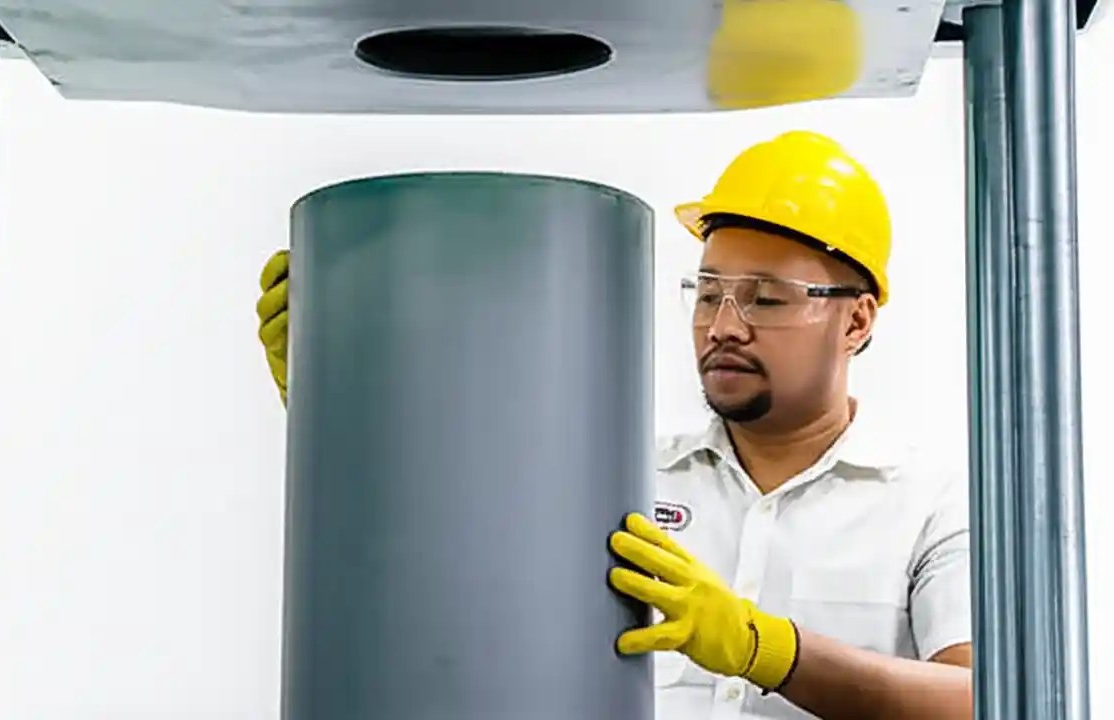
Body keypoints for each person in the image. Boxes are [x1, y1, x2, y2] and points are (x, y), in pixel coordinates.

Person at [254, 130, 973, 719]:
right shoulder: (623, 475)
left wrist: (770, 651)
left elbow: (980, 701)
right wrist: (340, 408)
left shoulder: (932, 503)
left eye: (766, 299)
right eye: (709, 294)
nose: (724, 326)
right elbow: (451, 562)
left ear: (856, 320)